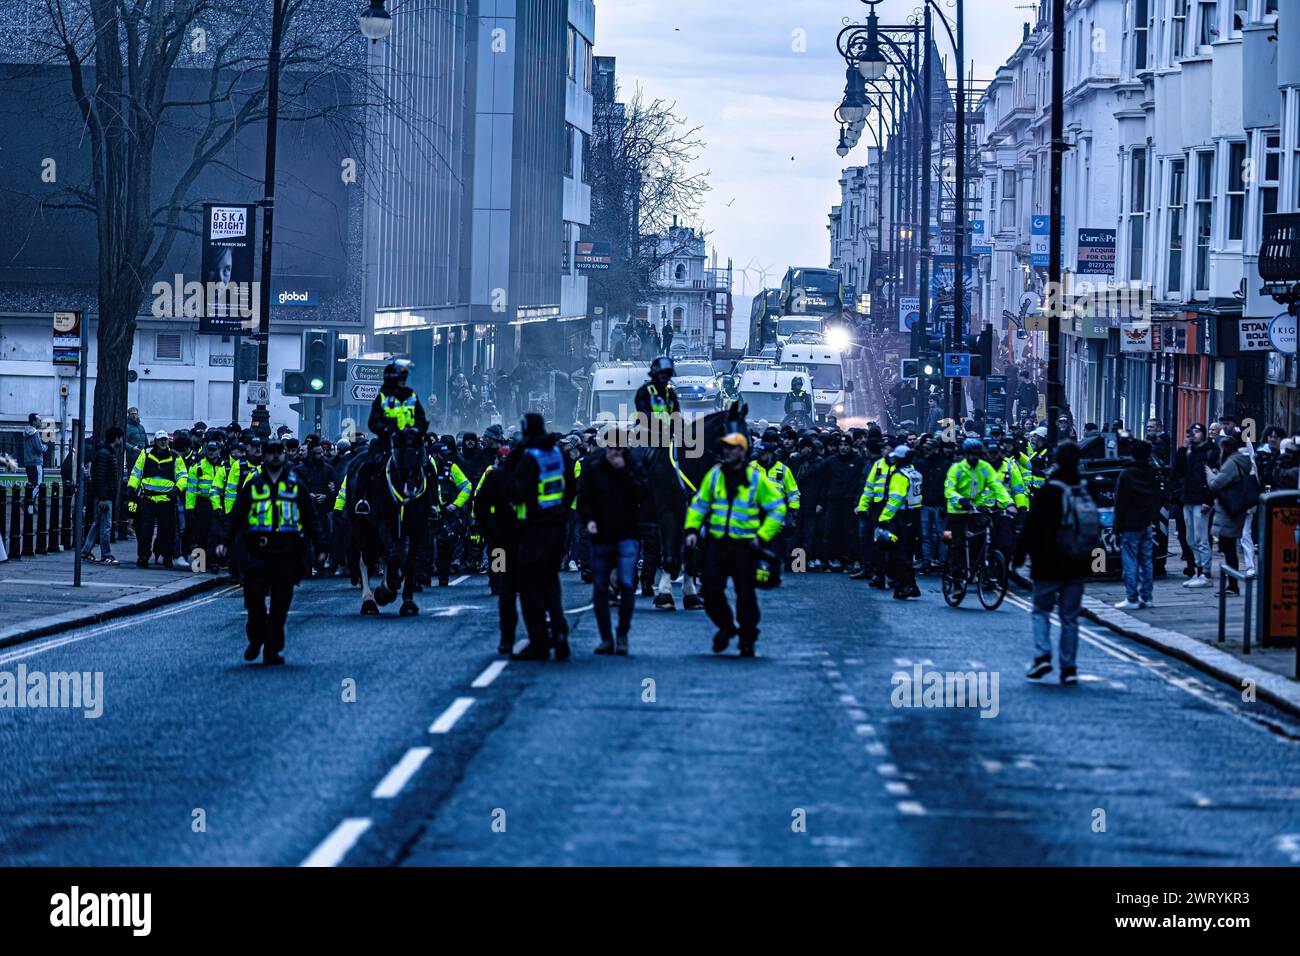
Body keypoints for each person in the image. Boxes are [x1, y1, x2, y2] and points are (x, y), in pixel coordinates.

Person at [217, 437, 326, 665]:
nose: (275, 455)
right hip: (257, 551)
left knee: (280, 604)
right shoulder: (254, 484)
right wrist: (224, 540)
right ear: (264, 455)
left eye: (279, 451)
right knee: (254, 601)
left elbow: (310, 517)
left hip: (287, 553)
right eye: (270, 451)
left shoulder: (295, 485)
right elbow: (237, 514)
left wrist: (320, 546)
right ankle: (256, 639)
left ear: (284, 455)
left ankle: (272, 649)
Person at [684, 431, 786, 657]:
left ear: (743, 452)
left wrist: (762, 535)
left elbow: (777, 508)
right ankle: (727, 627)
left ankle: (747, 638)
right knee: (709, 593)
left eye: (732, 448)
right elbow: (699, 505)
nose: (727, 452)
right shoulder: (714, 475)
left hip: (745, 547)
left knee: (745, 595)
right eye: (725, 448)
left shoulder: (756, 479)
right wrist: (692, 530)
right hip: (717, 545)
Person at [1015, 441, 1090, 685]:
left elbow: (1032, 526)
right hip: (1076, 563)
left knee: (1040, 611)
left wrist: (1020, 554)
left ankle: (1042, 655)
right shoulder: (1084, 489)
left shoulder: (1048, 492)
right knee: (1070, 617)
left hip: (1047, 562)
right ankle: (1069, 667)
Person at [508, 413, 576, 661]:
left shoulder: (529, 459)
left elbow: (517, 494)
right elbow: (570, 489)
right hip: (558, 527)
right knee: (551, 582)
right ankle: (560, 634)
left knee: (530, 587)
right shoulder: (559, 454)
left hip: (534, 530)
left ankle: (538, 640)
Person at [579, 428, 649, 655]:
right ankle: (606, 638)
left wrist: (625, 473)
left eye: (619, 449)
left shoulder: (633, 466)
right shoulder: (594, 467)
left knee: (627, 585)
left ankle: (622, 634)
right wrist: (588, 520)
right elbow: (583, 498)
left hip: (627, 534)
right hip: (601, 535)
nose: (615, 453)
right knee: (600, 588)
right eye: (612, 449)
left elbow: (643, 493)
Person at [943, 438, 1014, 578]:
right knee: (958, 544)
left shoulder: (985, 468)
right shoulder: (956, 468)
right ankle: (956, 578)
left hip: (976, 508)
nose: (974, 457)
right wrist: (959, 500)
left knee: (986, 533)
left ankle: (984, 564)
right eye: (971, 454)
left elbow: (997, 486)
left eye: (977, 454)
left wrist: (1009, 503)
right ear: (966, 454)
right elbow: (949, 489)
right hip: (958, 509)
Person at [476, 445, 521, 654]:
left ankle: (503, 582)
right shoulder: (491, 474)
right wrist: (487, 525)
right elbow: (480, 499)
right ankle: (496, 582)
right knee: (497, 557)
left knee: (508, 561)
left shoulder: (523, 475)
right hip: (498, 527)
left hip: (514, 529)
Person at [127, 430, 189, 569]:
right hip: (148, 498)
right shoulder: (146, 454)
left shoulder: (175, 457)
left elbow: (183, 476)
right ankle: (143, 556)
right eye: (160, 440)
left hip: (167, 499)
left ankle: (167, 557)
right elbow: (137, 472)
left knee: (168, 531)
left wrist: (177, 489)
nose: (163, 442)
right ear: (155, 441)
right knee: (144, 530)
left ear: (168, 441)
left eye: (165, 440)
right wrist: (131, 488)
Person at [1207, 434, 1257, 596]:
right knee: (1230, 548)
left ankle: (1233, 586)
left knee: (1228, 549)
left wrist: (1210, 474)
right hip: (1235, 507)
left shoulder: (1231, 463)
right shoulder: (1239, 460)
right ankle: (1232, 585)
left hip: (1229, 509)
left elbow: (1216, 484)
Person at [1112, 440, 1159, 609]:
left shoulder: (1126, 474)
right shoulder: (1152, 471)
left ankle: (1131, 598)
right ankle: (1147, 597)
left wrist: (1115, 529)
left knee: (1130, 561)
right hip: (1146, 522)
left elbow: (1120, 503)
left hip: (1129, 524)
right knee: (1146, 562)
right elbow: (1156, 498)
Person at [873, 444, 922, 600]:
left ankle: (905, 586)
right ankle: (910, 585)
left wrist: (884, 519)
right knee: (907, 552)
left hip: (903, 516)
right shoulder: (915, 473)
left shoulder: (899, 475)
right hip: (915, 514)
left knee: (900, 553)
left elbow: (895, 500)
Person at [1175, 423, 1217, 588]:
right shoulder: (1190, 452)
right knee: (1190, 539)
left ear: (1204, 434)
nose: (1194, 434)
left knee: (1201, 538)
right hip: (1188, 498)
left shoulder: (1210, 452)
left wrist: (1209, 500)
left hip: (1201, 500)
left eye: (1198, 431)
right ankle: (1198, 571)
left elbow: (1213, 478)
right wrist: (1183, 449)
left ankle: (1205, 574)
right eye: (1192, 431)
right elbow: (1179, 471)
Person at [81, 427, 124, 565]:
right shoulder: (105, 453)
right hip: (105, 496)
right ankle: (106, 555)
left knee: (97, 524)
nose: (122, 440)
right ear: (116, 438)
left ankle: (86, 550)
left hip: (104, 495)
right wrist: (104, 497)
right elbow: (100, 477)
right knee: (106, 526)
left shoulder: (104, 452)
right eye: (120, 437)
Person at [185, 438, 227, 572]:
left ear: (219, 451)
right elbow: (190, 490)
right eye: (209, 449)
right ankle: (200, 565)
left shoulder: (224, 467)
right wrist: (190, 509)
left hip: (218, 505)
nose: (211, 452)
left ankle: (214, 562)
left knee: (215, 535)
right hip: (202, 504)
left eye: (214, 450)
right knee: (200, 535)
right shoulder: (197, 467)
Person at [22, 413, 46, 486]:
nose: (41, 422)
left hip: (28, 463)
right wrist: (45, 447)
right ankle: (31, 497)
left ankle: (29, 497)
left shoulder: (25, 432)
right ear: (34, 422)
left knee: (31, 484)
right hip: (36, 463)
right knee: (39, 485)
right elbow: (39, 449)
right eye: (39, 420)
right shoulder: (35, 433)